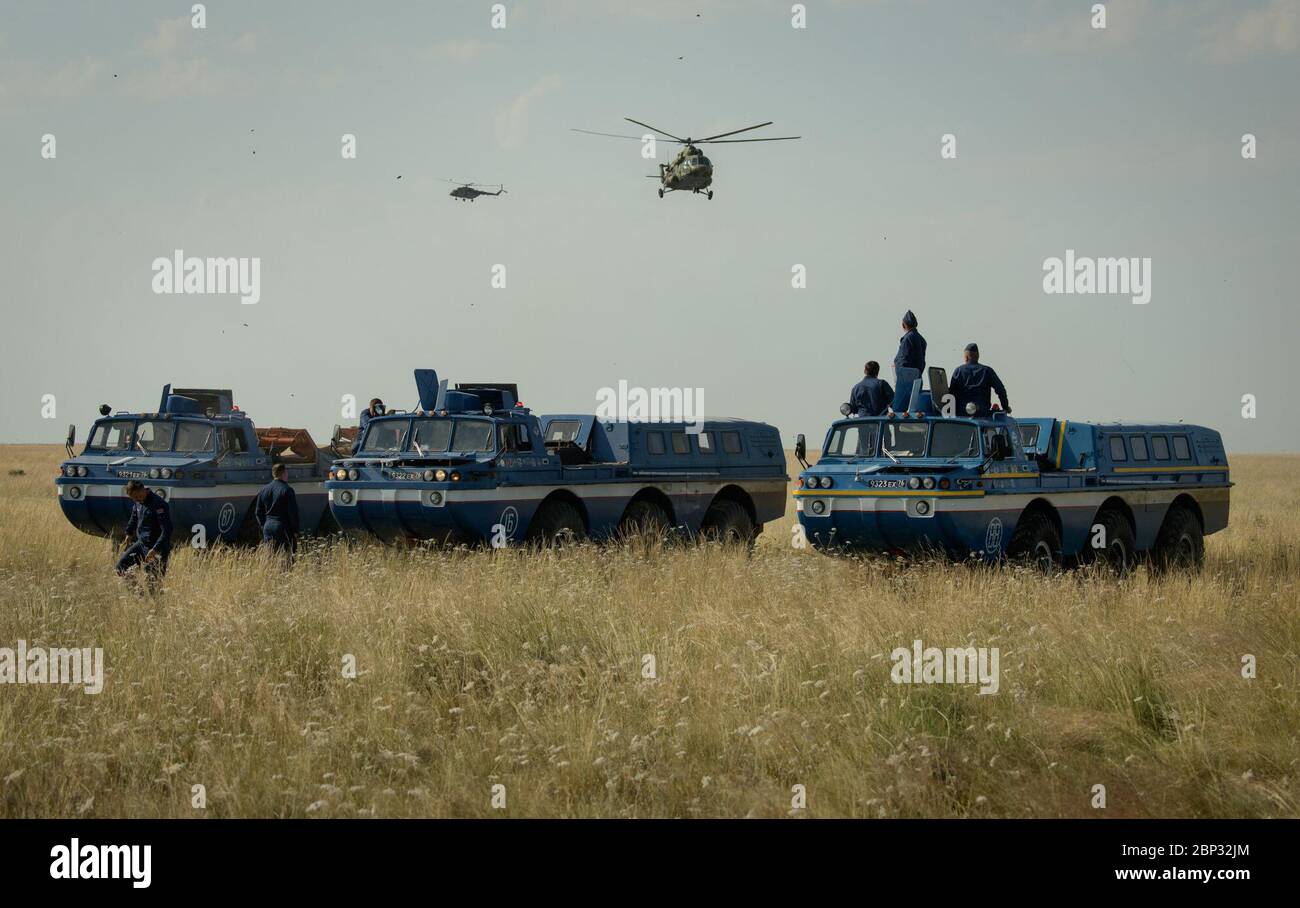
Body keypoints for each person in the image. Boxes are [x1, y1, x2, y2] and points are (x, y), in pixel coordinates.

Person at [116, 480, 173, 590]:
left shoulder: (158, 504)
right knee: (121, 567)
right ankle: (140, 595)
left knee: (153, 582)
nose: (135, 500)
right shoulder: (138, 500)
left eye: (136, 497)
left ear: (143, 490)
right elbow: (134, 516)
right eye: (132, 498)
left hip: (157, 547)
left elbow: (167, 530)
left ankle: (156, 605)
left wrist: (156, 549)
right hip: (142, 543)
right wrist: (129, 533)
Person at [948, 343, 1011, 418]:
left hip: (962, 413)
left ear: (966, 357)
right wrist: (1005, 407)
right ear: (978, 356)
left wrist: (949, 411)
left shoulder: (958, 371)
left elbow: (951, 393)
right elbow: (1000, 390)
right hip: (983, 413)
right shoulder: (987, 371)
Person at [255, 462, 300, 555]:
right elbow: (293, 512)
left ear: (273, 474)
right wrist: (295, 530)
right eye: (286, 473)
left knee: (270, 557)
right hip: (283, 527)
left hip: (268, 526)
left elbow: (258, 511)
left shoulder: (263, 490)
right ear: (284, 473)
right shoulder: (287, 490)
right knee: (287, 558)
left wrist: (264, 525)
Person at [891, 310, 927, 412]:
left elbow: (902, 361)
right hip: (917, 378)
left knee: (900, 412)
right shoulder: (921, 340)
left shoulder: (907, 339)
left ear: (903, 325)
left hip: (905, 381)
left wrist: (897, 370)